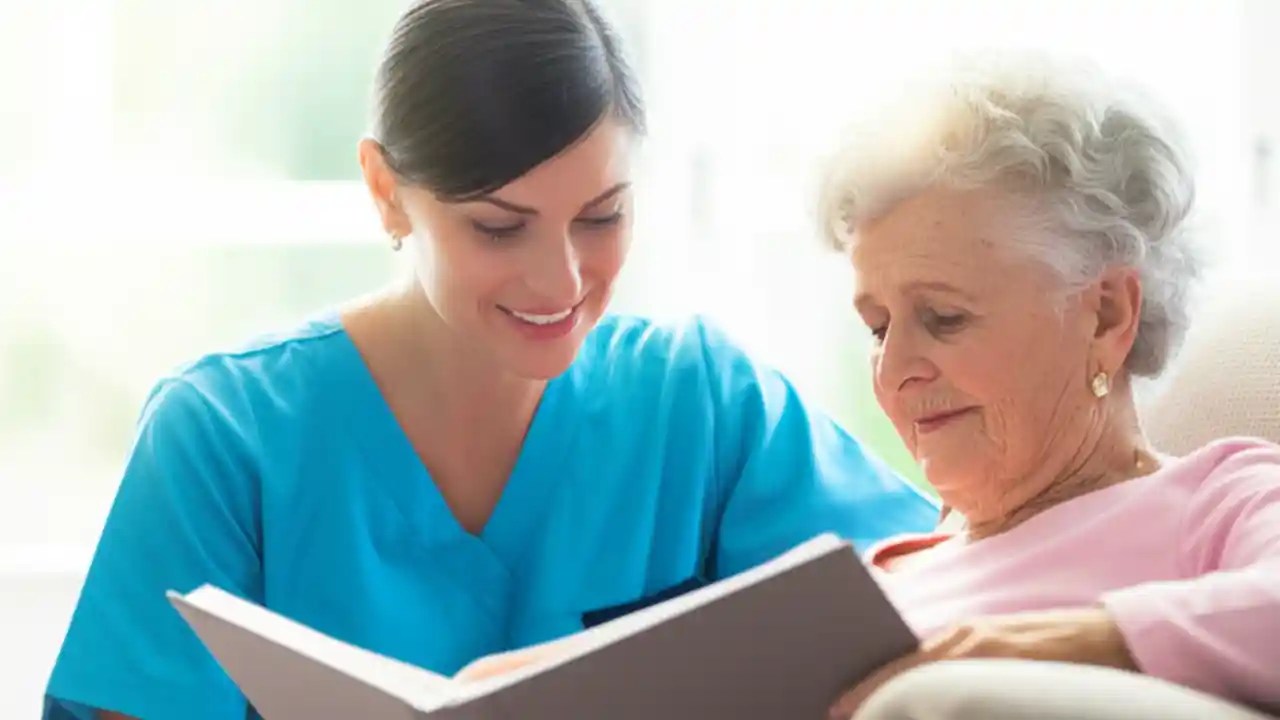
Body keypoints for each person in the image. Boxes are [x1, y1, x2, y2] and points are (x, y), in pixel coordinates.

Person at [41, 1, 938, 718]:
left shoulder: (703, 405)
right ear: (387, 194)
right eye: (499, 227)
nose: (563, 279)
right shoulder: (224, 438)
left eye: (602, 216)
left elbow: (944, 602)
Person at [815, 57, 1280, 719]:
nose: (894, 372)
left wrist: (1068, 642)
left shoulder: (1219, 500)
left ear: (1108, 314)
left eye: (944, 318)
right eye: (877, 327)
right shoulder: (873, 579)